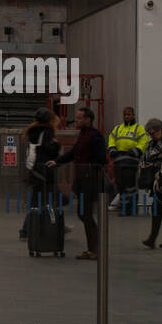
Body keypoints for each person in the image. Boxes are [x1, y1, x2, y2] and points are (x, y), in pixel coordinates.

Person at [48, 105, 107, 259]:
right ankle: (93, 247)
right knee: (83, 213)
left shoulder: (96, 136)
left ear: (88, 119)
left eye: (80, 118)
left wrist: (90, 168)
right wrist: (57, 162)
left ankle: (94, 249)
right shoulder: (82, 135)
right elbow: (73, 153)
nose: (77, 120)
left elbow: (101, 159)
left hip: (90, 180)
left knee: (85, 213)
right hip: (82, 180)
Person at [19, 107, 61, 240]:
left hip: (35, 171)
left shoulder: (32, 132)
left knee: (37, 202)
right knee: (47, 202)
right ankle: (53, 227)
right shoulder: (47, 132)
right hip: (45, 171)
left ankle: (52, 226)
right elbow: (49, 150)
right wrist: (57, 146)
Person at [108, 106, 148, 210]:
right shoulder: (118, 128)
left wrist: (136, 151)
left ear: (133, 115)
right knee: (120, 185)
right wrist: (112, 149)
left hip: (131, 161)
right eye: (125, 114)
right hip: (119, 160)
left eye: (129, 114)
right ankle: (123, 206)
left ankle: (130, 207)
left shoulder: (139, 128)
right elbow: (111, 138)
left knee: (130, 185)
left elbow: (143, 140)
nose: (126, 116)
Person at [138, 117, 162, 247]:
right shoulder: (149, 145)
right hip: (157, 184)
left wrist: (153, 164)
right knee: (157, 211)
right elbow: (144, 158)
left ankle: (152, 239)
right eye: (149, 133)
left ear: (160, 130)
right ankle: (152, 239)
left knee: (157, 210)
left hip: (161, 180)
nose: (151, 136)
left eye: (153, 133)